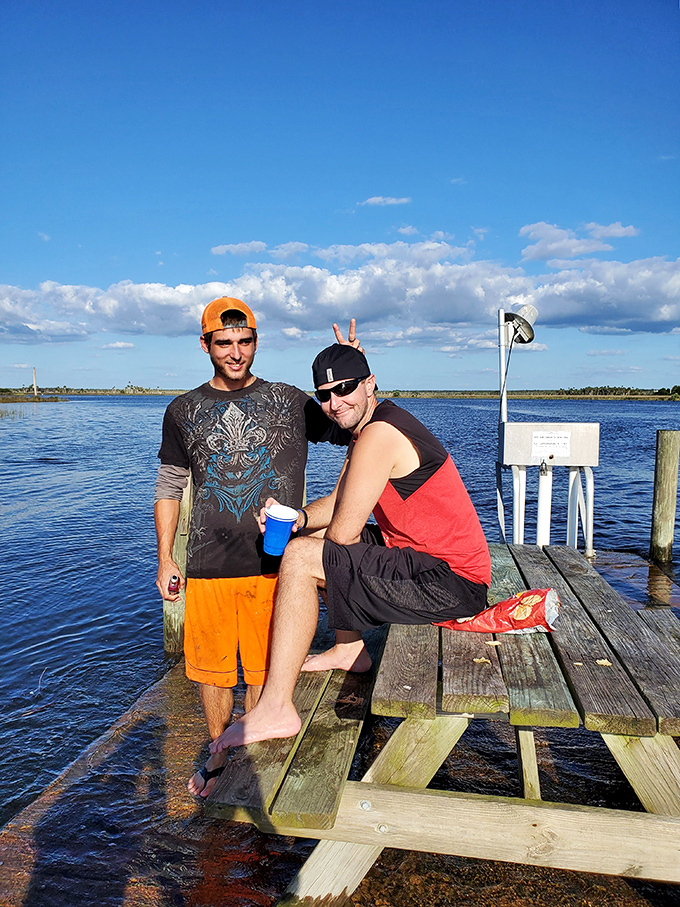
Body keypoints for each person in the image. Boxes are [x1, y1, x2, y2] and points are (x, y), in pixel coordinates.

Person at [209, 342, 491, 753]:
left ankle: (275, 707)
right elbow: (341, 498)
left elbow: (343, 534)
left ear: (370, 383)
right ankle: (349, 648)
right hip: (426, 562)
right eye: (324, 395)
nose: (334, 403)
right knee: (308, 543)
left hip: (452, 584)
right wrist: (297, 518)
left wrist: (304, 542)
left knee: (304, 556)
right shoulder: (372, 426)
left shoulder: (379, 434)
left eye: (345, 389)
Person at [154, 298, 354, 797]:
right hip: (209, 561)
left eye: (245, 341)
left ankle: (257, 755)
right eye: (224, 342)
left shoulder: (291, 400)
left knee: (269, 664)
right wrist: (165, 557)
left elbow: (351, 424)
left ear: (256, 342)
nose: (236, 352)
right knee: (214, 672)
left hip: (278, 561)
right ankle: (220, 753)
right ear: (206, 345)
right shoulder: (182, 410)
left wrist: (352, 372)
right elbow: (169, 486)